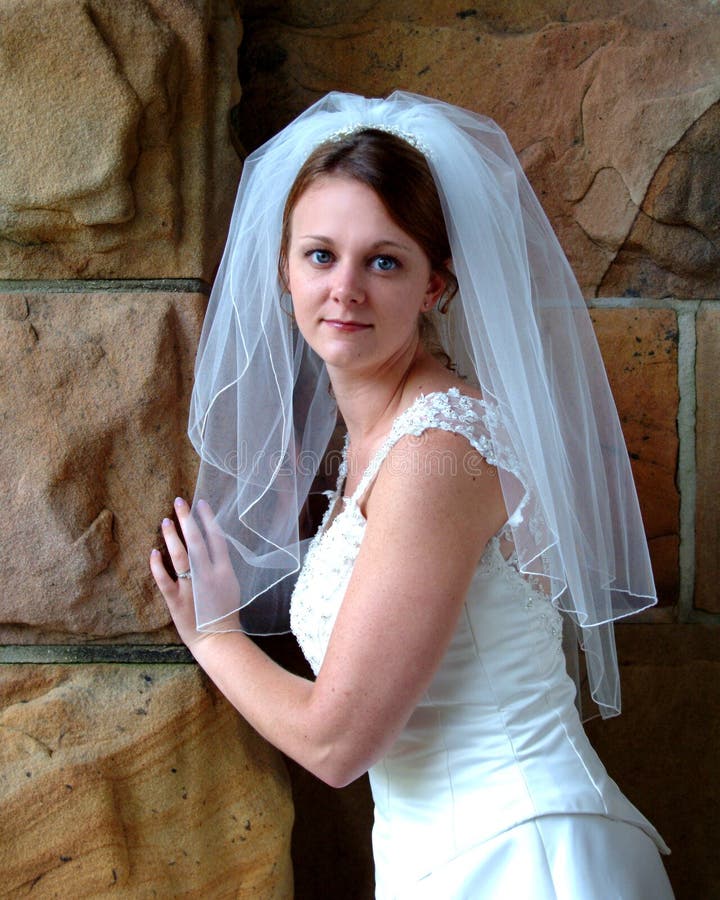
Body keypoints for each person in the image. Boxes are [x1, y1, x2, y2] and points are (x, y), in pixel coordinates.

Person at [150, 92, 674, 898]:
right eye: (319, 255)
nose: (345, 288)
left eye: (384, 261)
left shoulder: (438, 453)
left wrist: (215, 635)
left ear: (435, 286)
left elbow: (338, 744)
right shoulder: (380, 441)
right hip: (436, 861)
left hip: (524, 859)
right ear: (284, 270)